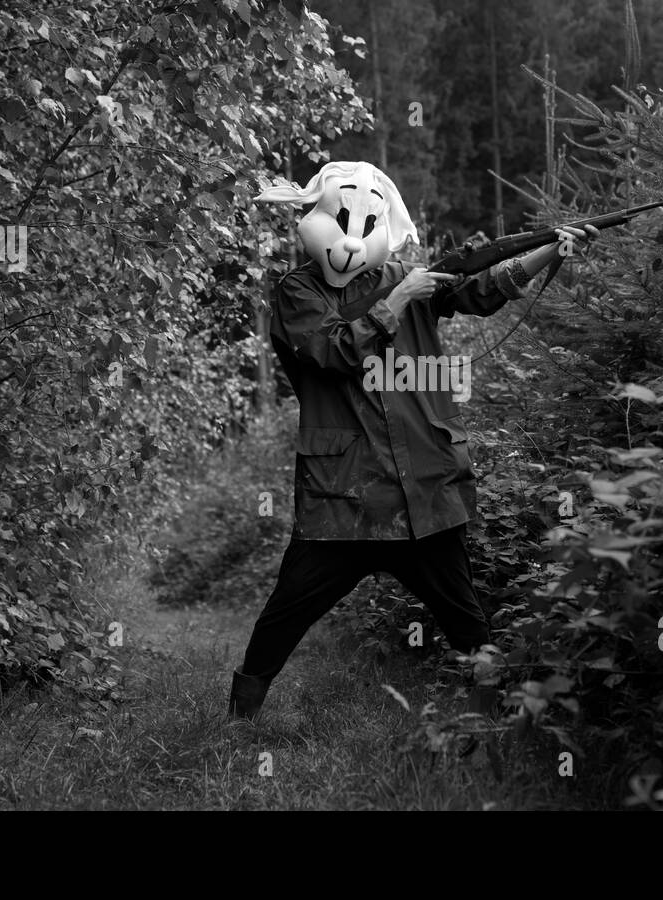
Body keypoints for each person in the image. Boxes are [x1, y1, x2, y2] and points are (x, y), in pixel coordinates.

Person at [228, 160, 596, 721]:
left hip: (422, 488)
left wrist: (554, 250)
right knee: (286, 611)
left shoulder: (403, 272)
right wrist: (399, 300)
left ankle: (494, 720)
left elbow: (482, 288)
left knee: (467, 621)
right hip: (344, 498)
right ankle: (239, 718)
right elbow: (332, 352)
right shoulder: (297, 292)